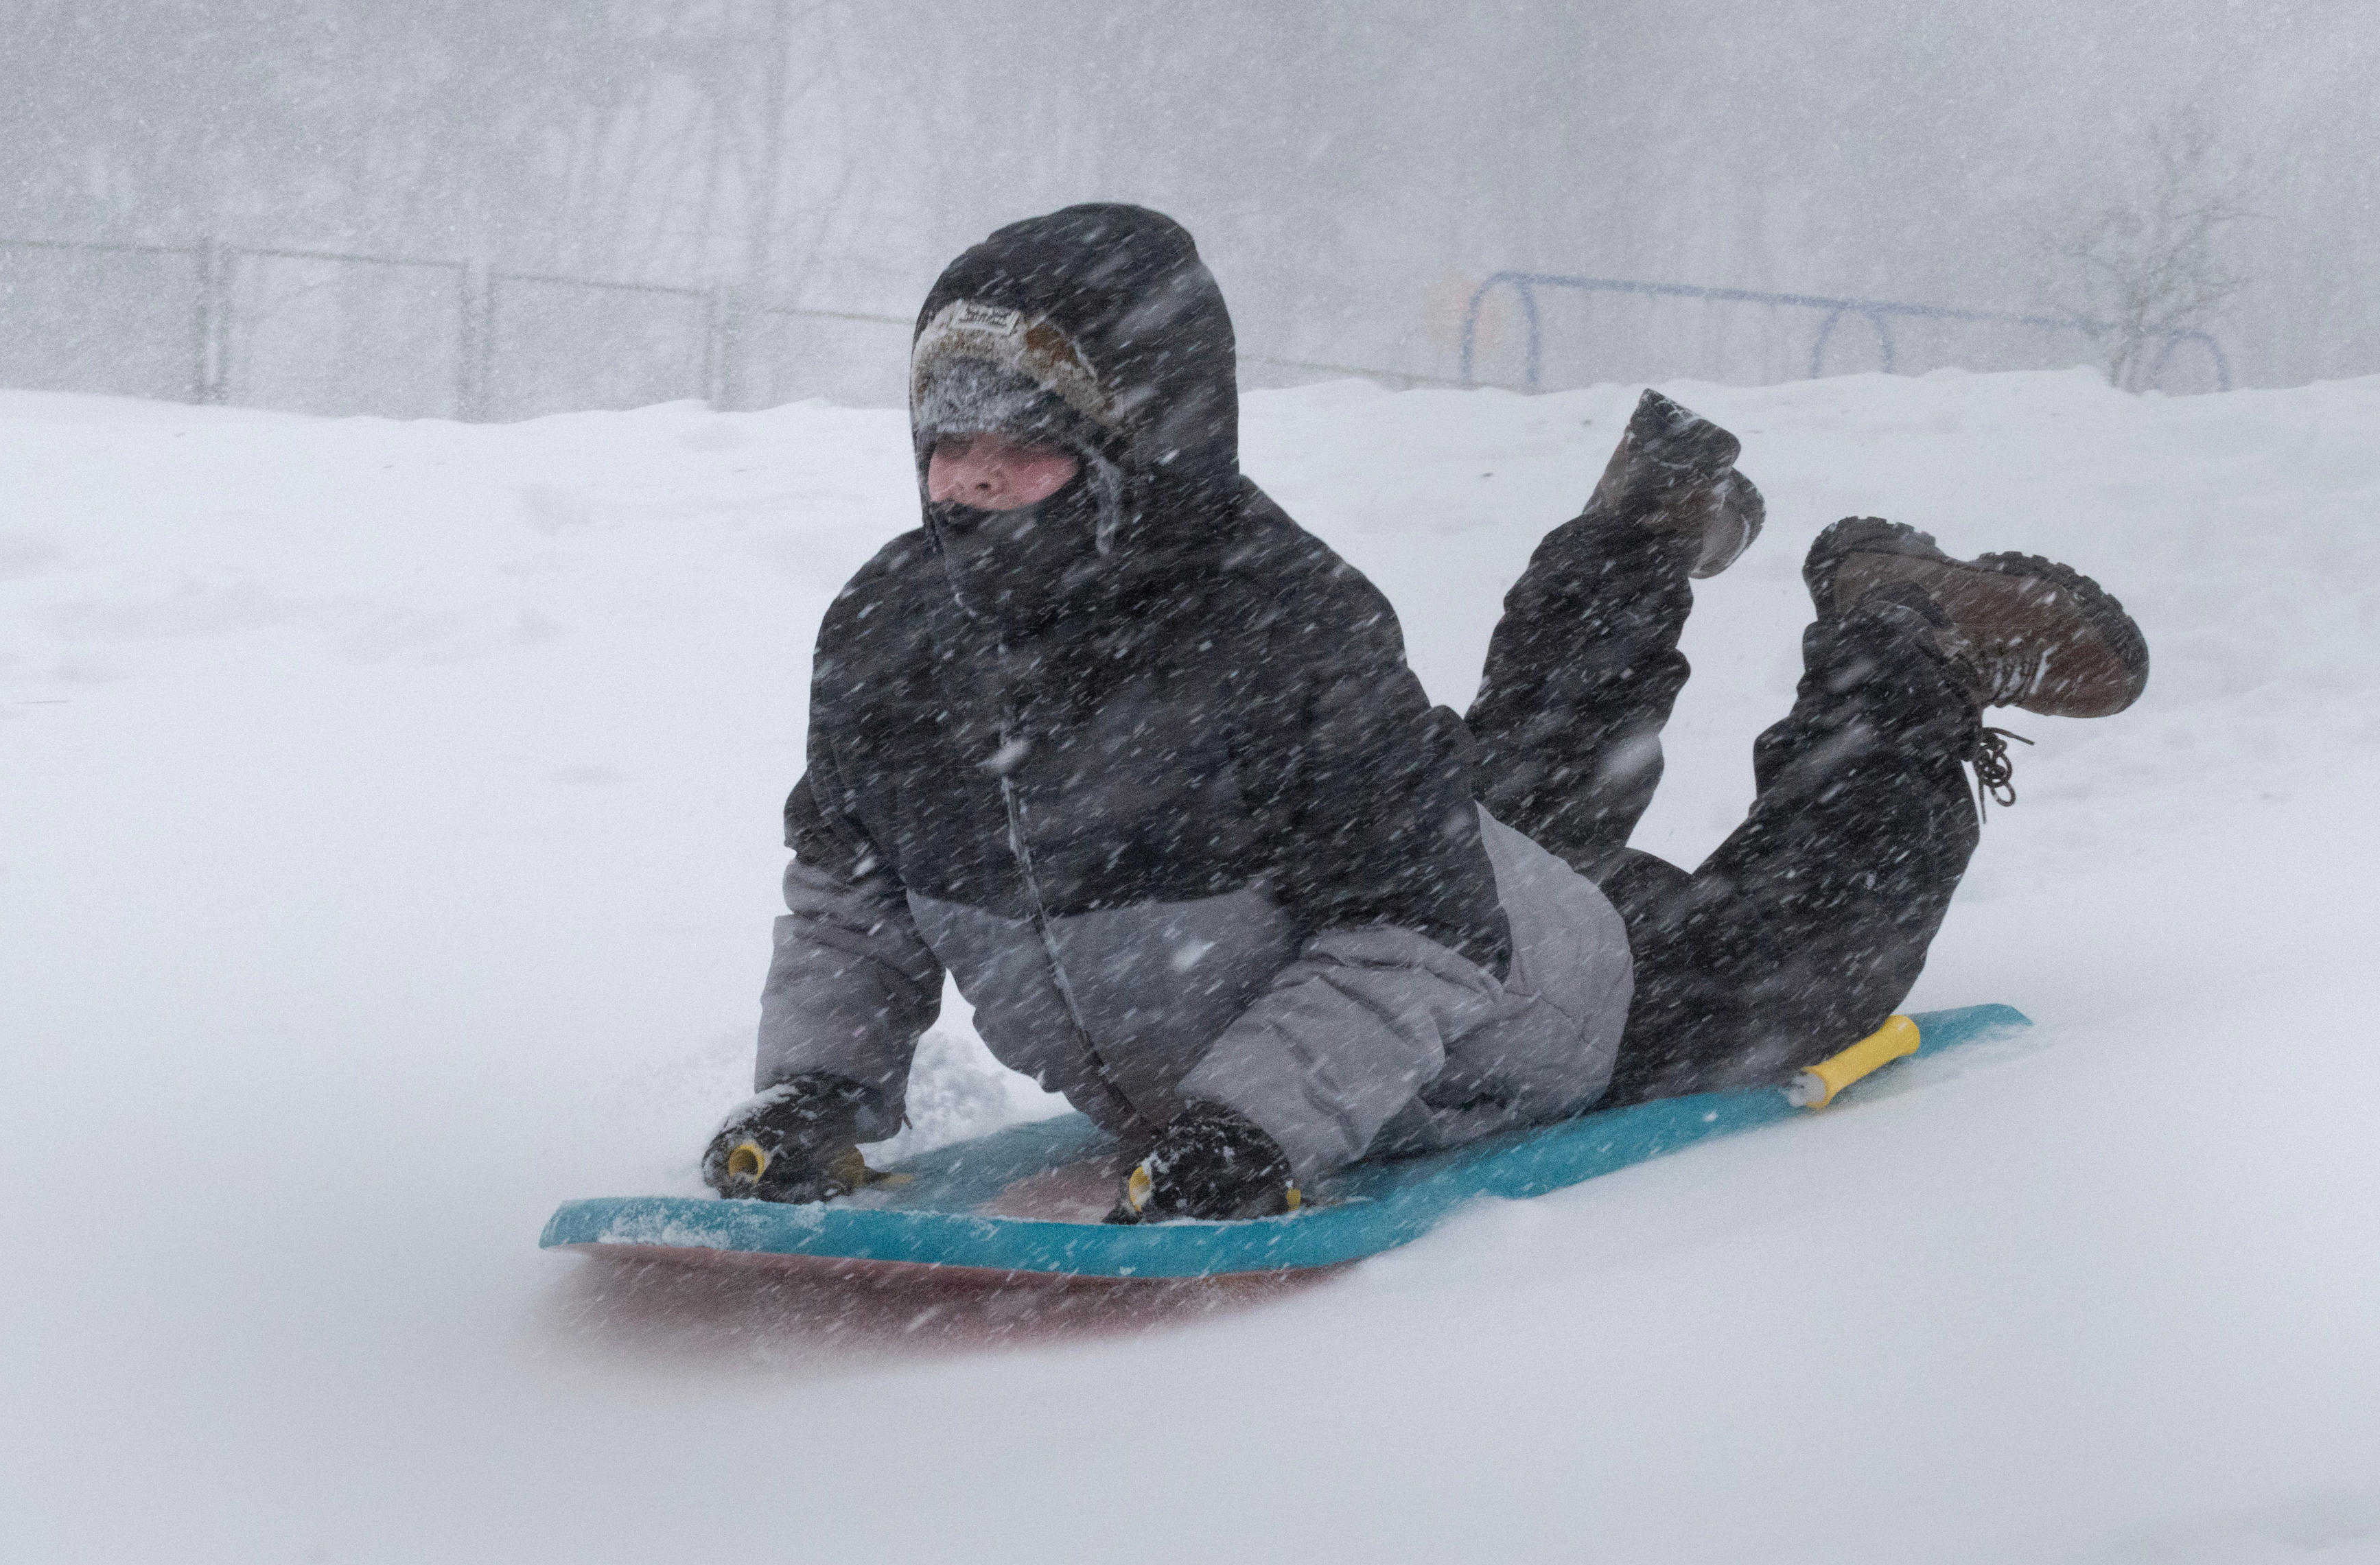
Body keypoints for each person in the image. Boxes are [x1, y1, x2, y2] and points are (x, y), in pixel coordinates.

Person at [700, 204, 2147, 1223]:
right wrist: (817, 1092)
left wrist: (1248, 1126)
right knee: (1492, 794)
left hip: (1540, 1008)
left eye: (1024, 449)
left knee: (1806, 950)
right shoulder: (895, 632)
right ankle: (1645, 530)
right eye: (947, 445)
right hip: (1401, 889)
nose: (968, 482)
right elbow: (854, 891)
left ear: (1143, 448)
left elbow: (1421, 928)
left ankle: (1903, 641)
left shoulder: (1280, 624)